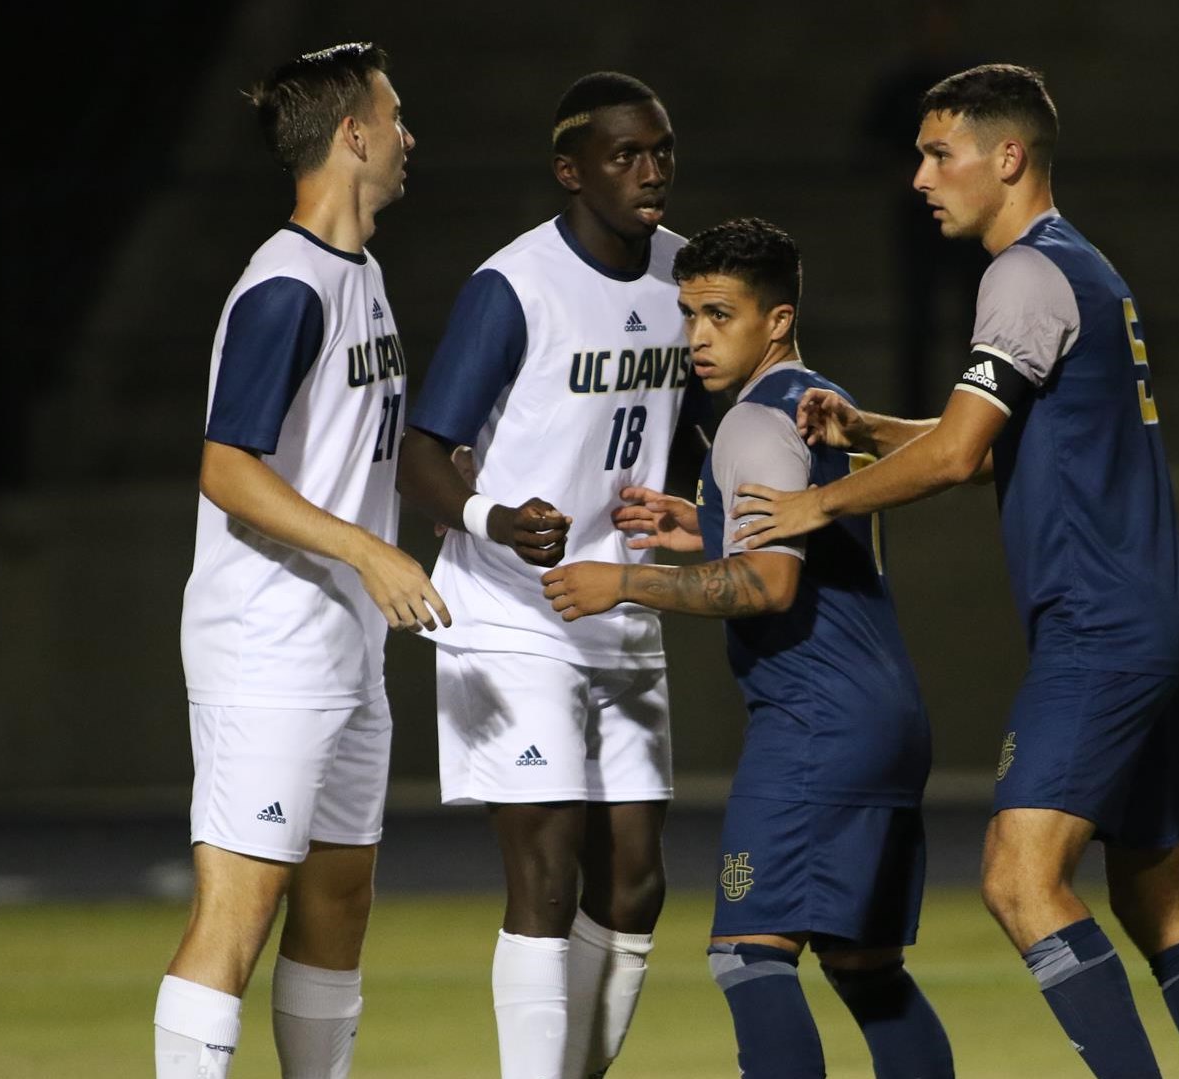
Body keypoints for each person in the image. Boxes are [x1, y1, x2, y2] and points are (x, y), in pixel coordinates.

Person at [733, 64, 1179, 1077]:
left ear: (1007, 157)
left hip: (1102, 629)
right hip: (1161, 618)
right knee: (1156, 899)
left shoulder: (1018, 273)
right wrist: (868, 428)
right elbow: (1003, 430)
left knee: (1020, 879)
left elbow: (965, 454)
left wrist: (817, 500)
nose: (921, 176)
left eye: (941, 154)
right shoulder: (1086, 268)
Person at [541, 218, 955, 1079]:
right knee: (864, 968)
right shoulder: (821, 403)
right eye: (688, 314)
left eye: (719, 315)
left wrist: (621, 583)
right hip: (887, 712)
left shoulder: (751, 426)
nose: (696, 337)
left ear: (776, 319)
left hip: (815, 722)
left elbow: (768, 586)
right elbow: (796, 546)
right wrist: (705, 523)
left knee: (748, 954)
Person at [393, 72, 707, 1079]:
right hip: (511, 608)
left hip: (620, 603)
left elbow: (696, 422)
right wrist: (494, 517)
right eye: (626, 154)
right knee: (546, 869)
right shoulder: (515, 284)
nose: (650, 171)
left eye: (661, 150)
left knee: (637, 884)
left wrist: (694, 499)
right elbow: (421, 450)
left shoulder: (686, 274)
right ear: (571, 171)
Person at [160, 42, 445, 1079]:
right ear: (352, 132)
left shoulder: (357, 271)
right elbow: (227, 469)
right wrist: (368, 549)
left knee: (340, 896)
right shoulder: (285, 285)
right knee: (239, 909)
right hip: (267, 646)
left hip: (342, 645)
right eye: (395, 112)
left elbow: (345, 453)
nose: (410, 134)